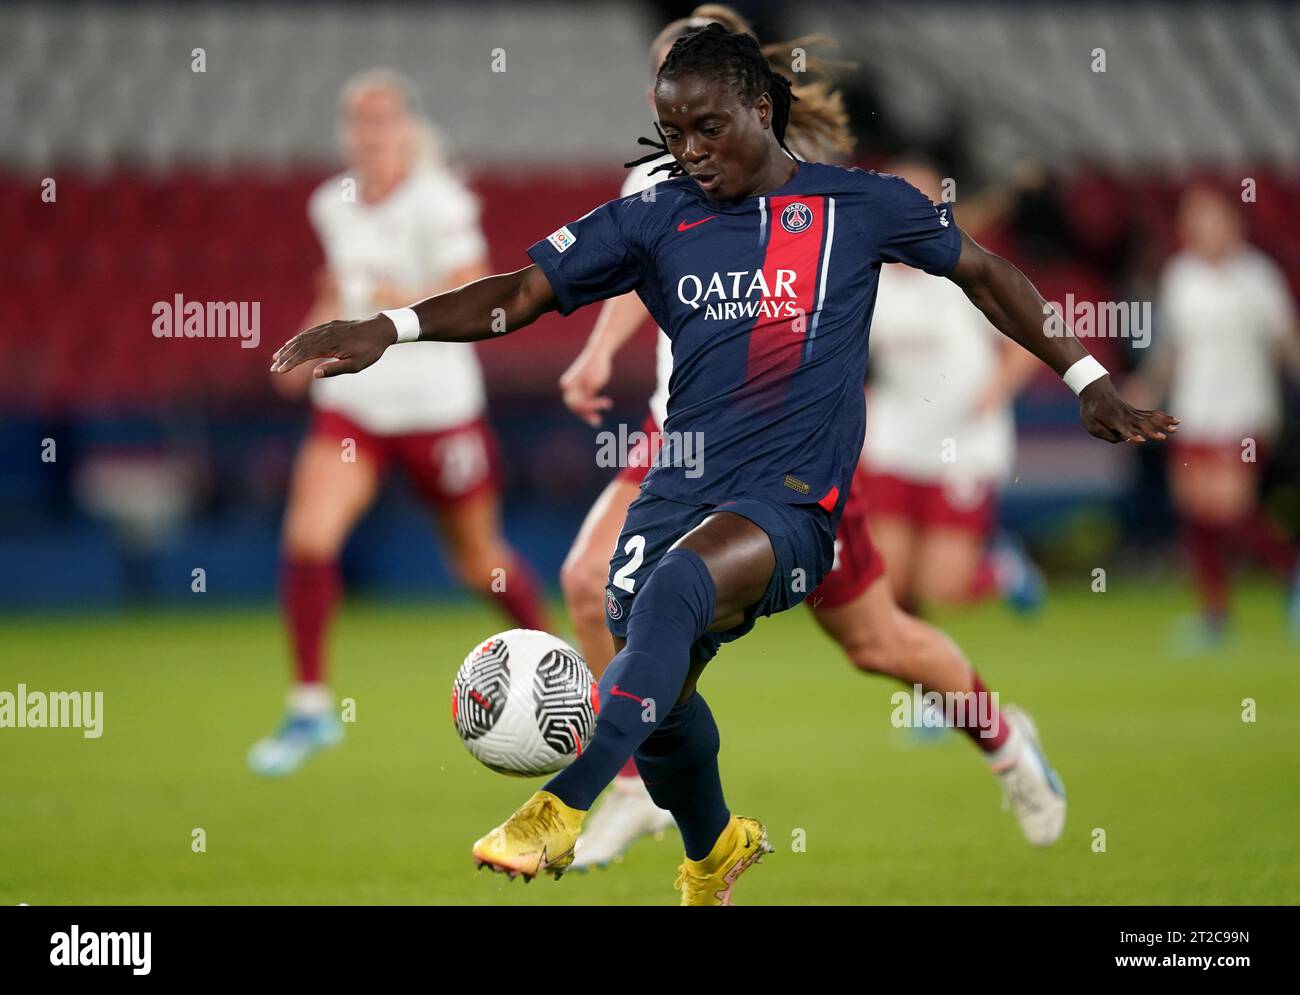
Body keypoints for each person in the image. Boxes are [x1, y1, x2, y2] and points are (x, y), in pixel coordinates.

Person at [271, 25, 1176, 904]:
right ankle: (713, 851)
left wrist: (1089, 378)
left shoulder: (853, 205)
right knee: (653, 668)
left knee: (738, 612)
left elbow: (984, 272)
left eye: (709, 128)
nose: (691, 152)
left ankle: (566, 803)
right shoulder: (653, 215)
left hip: (796, 498)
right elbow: (519, 293)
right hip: (682, 482)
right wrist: (389, 328)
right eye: (673, 135)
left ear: (761, 108)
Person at [557, 7, 1061, 873]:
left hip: (790, 451)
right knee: (584, 578)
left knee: (879, 641)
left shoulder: (796, 183)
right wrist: (601, 349)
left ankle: (1005, 736)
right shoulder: (658, 181)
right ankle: (640, 789)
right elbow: (617, 267)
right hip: (680, 438)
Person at [249, 69, 548, 778]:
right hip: (355, 405)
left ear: (406, 128)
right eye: (358, 121)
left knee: (478, 561)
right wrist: (303, 341)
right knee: (308, 536)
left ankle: (552, 659)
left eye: (383, 120)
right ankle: (311, 705)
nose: (370, 134)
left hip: (438, 410)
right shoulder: (333, 203)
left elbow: (477, 289)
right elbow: (336, 284)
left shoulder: (438, 202)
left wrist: (389, 307)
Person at [861, 156, 1044, 614]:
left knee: (944, 587)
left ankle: (1001, 569)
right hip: (896, 440)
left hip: (962, 441)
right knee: (892, 580)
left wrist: (993, 391)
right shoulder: (869, 280)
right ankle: (922, 672)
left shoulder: (967, 273)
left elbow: (1031, 342)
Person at [1134, 183, 1300, 652]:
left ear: (1232, 221)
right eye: (1194, 220)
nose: (1202, 228)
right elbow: (1173, 348)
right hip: (1194, 410)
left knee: (1230, 507)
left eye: (1210, 218)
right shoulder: (1181, 276)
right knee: (1196, 513)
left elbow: (1285, 340)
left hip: (1244, 411)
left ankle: (1291, 572)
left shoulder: (1257, 277)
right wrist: (1148, 388)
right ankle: (1215, 614)